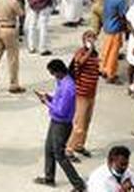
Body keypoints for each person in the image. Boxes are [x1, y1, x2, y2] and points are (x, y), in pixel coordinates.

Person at [34, 59, 86, 189]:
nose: (53, 76)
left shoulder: (68, 87)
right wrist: (50, 98)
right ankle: (49, 177)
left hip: (61, 124)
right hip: (56, 121)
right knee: (48, 149)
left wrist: (46, 102)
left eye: (53, 73)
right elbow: (59, 102)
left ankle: (78, 184)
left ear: (58, 72)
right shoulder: (62, 82)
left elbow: (61, 111)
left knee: (59, 154)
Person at [67, 30, 102, 159]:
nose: (92, 39)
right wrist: (89, 49)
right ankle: (69, 148)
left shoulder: (95, 54)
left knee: (87, 121)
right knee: (79, 123)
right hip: (81, 93)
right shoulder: (81, 52)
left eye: (93, 37)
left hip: (91, 93)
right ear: (84, 40)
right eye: (89, 37)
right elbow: (80, 62)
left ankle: (79, 145)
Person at [100, 0, 129, 81]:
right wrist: (127, 29)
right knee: (114, 52)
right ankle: (110, 73)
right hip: (115, 28)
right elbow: (123, 16)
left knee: (106, 49)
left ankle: (103, 68)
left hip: (107, 25)